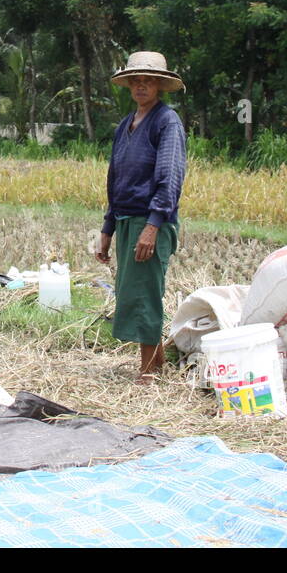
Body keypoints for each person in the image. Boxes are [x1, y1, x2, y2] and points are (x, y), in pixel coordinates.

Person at [95, 51, 187, 384]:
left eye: (148, 80)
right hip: (125, 219)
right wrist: (108, 227)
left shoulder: (166, 122)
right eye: (136, 80)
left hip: (150, 222)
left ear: (160, 85)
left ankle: (147, 375)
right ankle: (158, 362)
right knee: (131, 292)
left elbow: (169, 176)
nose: (141, 85)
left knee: (145, 294)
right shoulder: (125, 125)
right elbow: (115, 177)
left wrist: (153, 225)